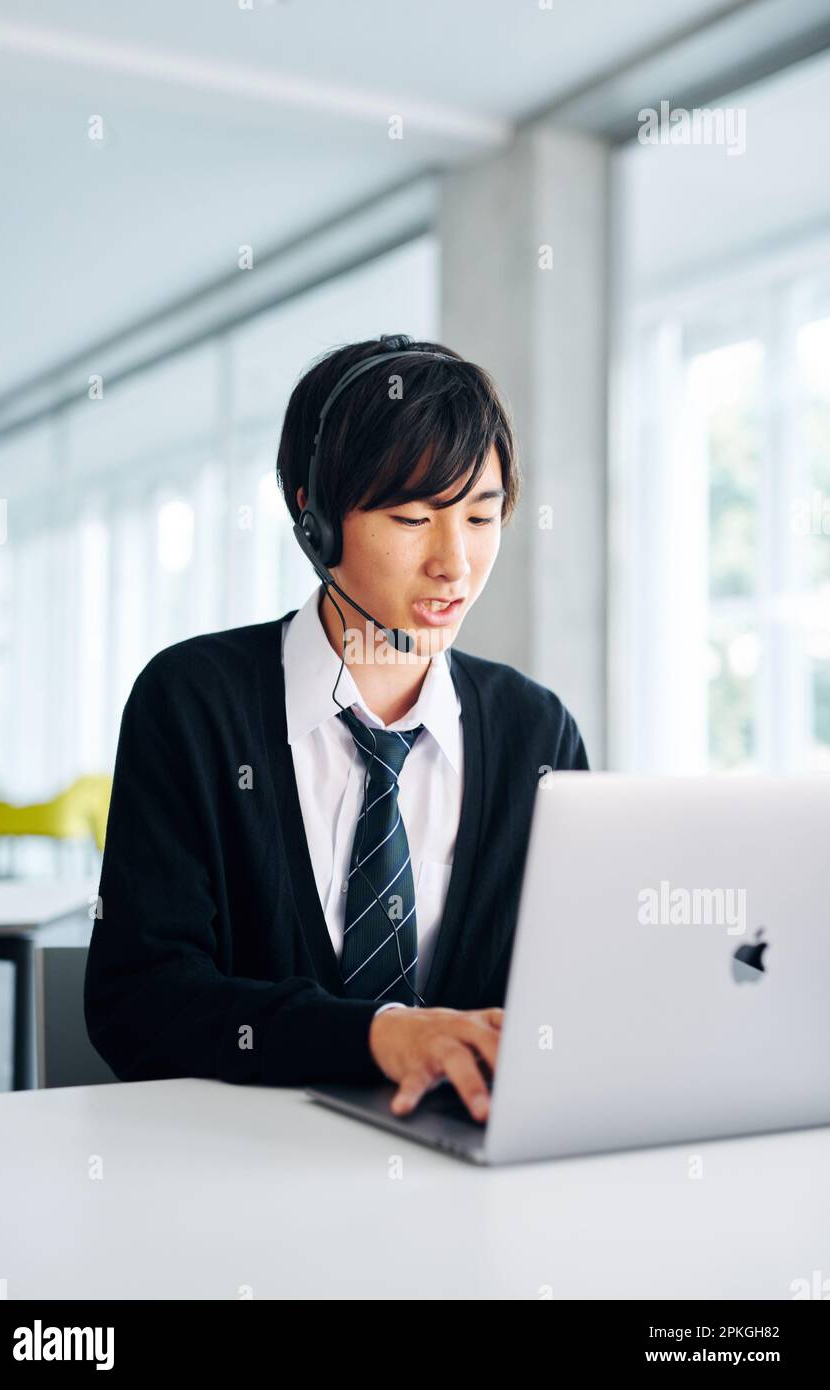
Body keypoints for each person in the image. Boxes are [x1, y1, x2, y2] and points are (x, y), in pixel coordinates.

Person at [84, 333, 589, 1124]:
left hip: (473, 1180)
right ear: (312, 520)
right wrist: (376, 1038)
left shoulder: (537, 732)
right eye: (413, 518)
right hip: (232, 1171)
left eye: (481, 516)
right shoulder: (193, 703)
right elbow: (138, 1004)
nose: (454, 563)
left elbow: (575, 994)